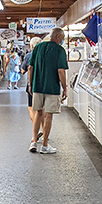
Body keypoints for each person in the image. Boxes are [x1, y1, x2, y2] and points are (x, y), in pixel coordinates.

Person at [28, 27, 68, 155]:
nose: (62, 41)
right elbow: (61, 71)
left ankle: (34, 141)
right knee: (48, 115)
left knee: (38, 114)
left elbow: (30, 67)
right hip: (52, 88)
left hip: (37, 87)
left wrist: (30, 84)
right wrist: (65, 88)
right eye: (62, 38)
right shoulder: (59, 50)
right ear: (58, 37)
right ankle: (44, 145)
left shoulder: (38, 48)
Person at [21, 37, 43, 139]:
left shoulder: (29, 55)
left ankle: (36, 128)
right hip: (44, 84)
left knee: (31, 108)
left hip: (32, 84)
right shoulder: (45, 55)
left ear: (31, 46)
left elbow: (23, 70)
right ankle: (44, 130)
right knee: (42, 110)